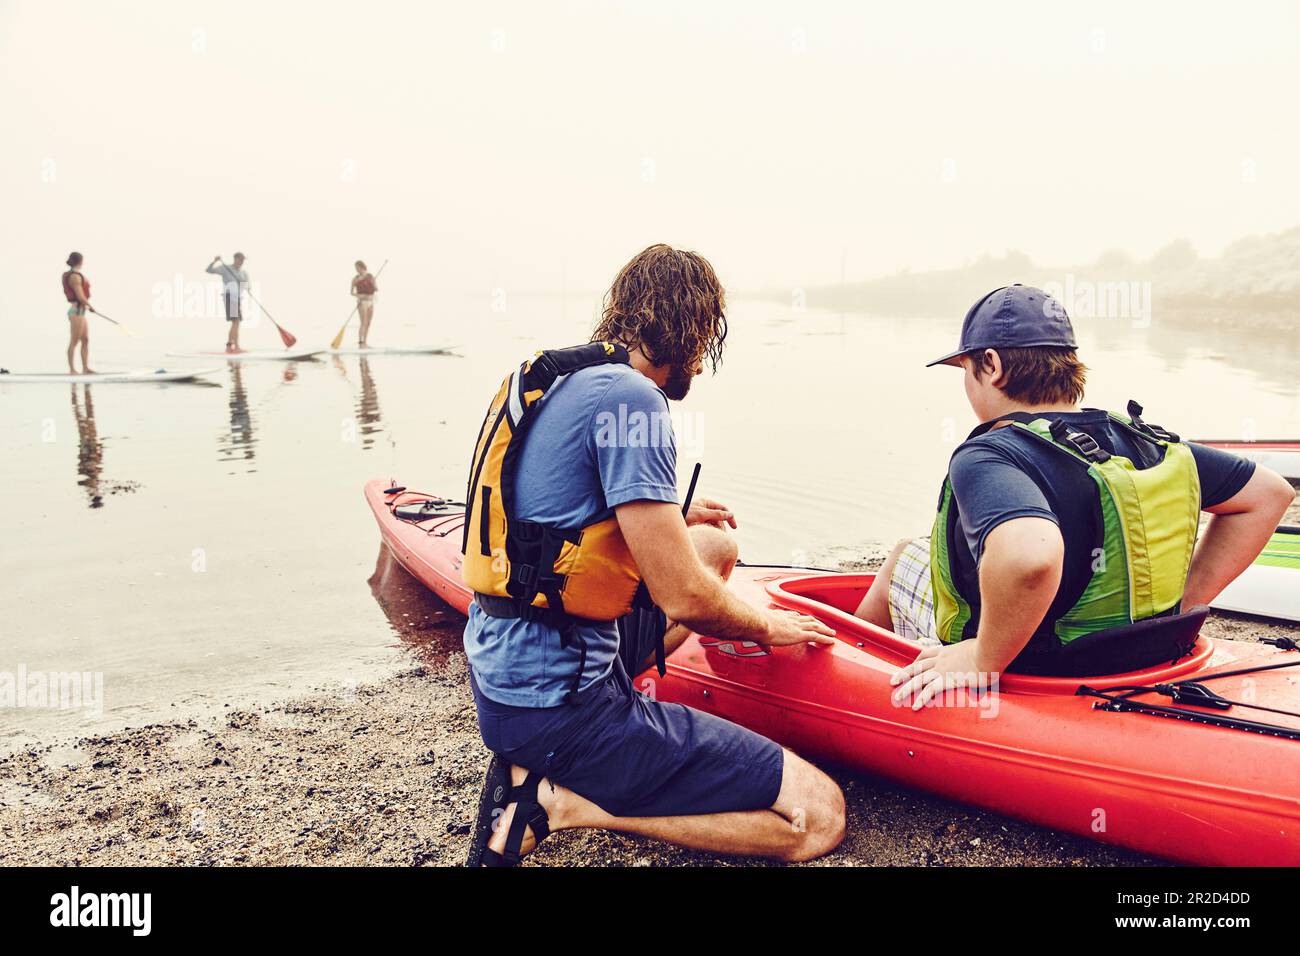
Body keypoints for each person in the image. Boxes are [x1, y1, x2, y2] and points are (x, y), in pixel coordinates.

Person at [462, 244, 846, 867]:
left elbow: (546, 515)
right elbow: (686, 598)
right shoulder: (635, 401)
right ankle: (559, 802)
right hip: (565, 706)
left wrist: (670, 513)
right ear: (692, 331)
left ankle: (534, 764)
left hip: (505, 681)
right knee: (817, 816)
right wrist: (773, 628)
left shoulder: (569, 382)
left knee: (714, 545)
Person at [854, 284, 1296, 708]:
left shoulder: (988, 454)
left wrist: (982, 657)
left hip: (1041, 665)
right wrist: (1183, 604)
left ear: (991, 364)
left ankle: (855, 673)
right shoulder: (1138, 441)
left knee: (899, 559)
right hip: (1143, 649)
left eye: (968, 371)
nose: (968, 386)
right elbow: (1268, 494)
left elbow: (1031, 557)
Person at [206, 253, 249, 352]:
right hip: (229, 297)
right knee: (236, 322)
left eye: (243, 260)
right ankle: (234, 347)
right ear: (235, 259)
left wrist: (247, 288)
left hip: (237, 298)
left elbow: (245, 286)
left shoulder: (244, 273)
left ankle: (230, 346)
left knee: (236, 323)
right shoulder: (226, 268)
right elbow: (208, 270)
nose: (242, 262)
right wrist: (215, 261)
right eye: (240, 259)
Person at [61, 252, 94, 374]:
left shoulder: (76, 275)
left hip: (81, 311)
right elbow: (80, 296)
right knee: (74, 341)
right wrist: (91, 307)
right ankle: (72, 370)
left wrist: (87, 307)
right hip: (76, 311)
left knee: (85, 340)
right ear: (80, 261)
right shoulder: (74, 277)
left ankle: (85, 368)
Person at [350, 261, 378, 347]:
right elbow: (351, 293)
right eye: (356, 268)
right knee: (363, 322)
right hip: (362, 302)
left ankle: (365, 342)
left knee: (368, 323)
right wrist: (359, 295)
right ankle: (360, 342)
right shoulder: (355, 279)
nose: (357, 270)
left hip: (371, 301)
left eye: (358, 268)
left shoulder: (370, 277)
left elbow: (376, 289)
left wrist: (373, 284)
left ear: (362, 267)